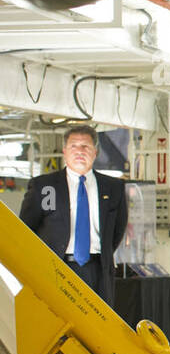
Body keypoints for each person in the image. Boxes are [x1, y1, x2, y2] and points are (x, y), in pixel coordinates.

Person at [20, 125, 127, 304]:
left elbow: (117, 230)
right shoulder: (45, 186)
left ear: (96, 152)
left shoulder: (113, 188)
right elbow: (26, 229)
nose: (79, 151)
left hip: (98, 271)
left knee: (97, 327)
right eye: (73, 146)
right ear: (64, 151)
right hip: (57, 269)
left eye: (85, 146)